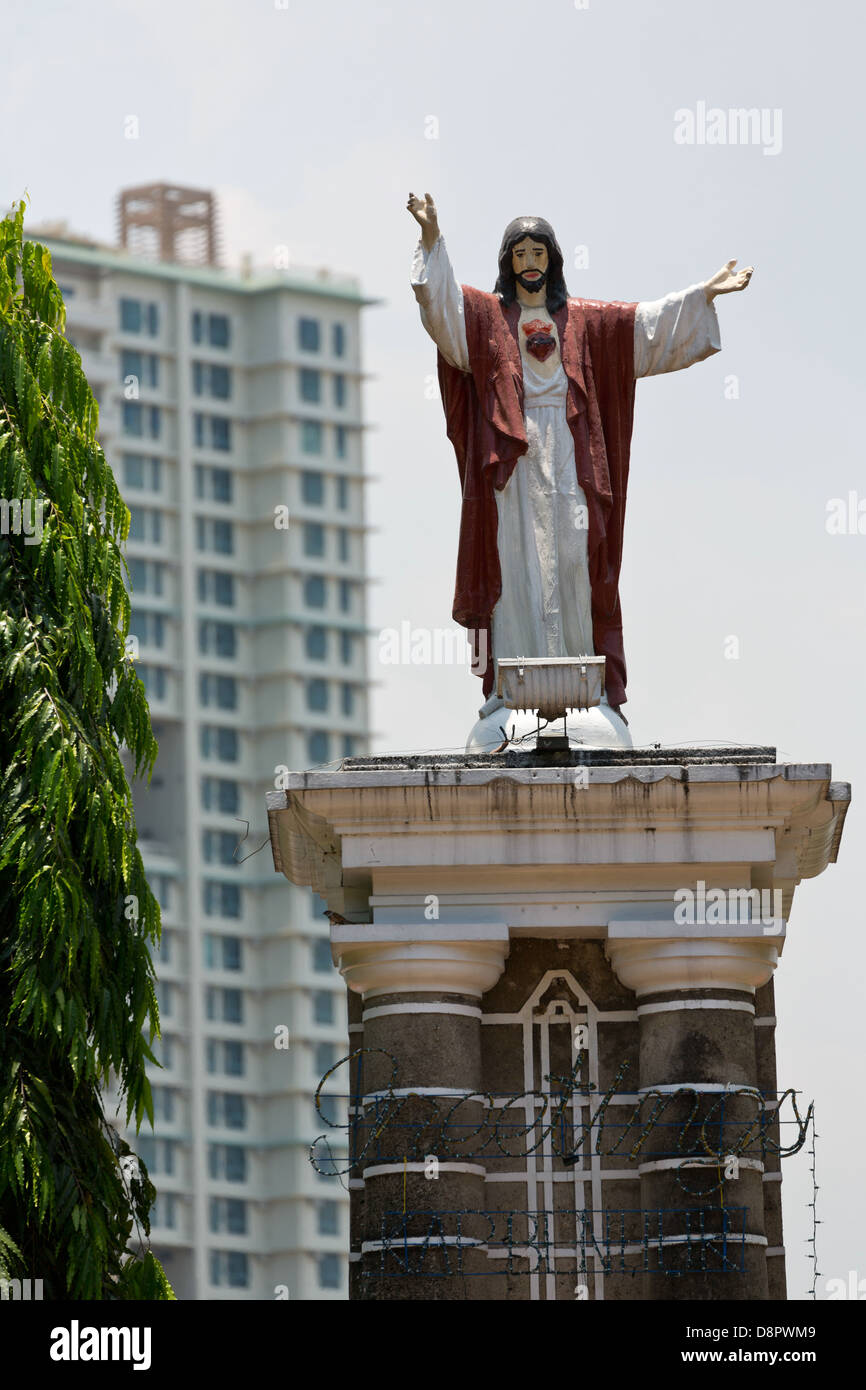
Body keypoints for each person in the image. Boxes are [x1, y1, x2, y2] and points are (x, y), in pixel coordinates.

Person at [408, 192, 753, 727]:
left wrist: (701, 295)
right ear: (508, 262)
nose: (529, 264)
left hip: (571, 451)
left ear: (552, 261)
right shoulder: (486, 319)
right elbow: (445, 312)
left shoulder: (584, 324)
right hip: (513, 456)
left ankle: (585, 691)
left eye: (537, 253)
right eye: (519, 253)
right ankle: (511, 684)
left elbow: (644, 325)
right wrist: (432, 239)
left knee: (575, 553)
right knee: (513, 558)